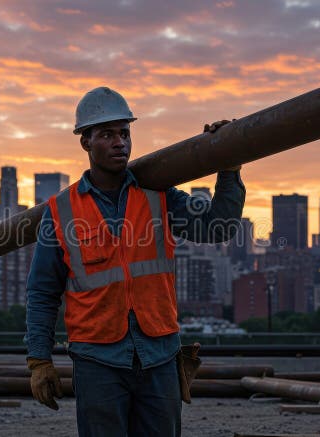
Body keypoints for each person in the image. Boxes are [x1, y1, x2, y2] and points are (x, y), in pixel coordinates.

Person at [25, 86, 245, 437]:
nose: (119, 143)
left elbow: (217, 229)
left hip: (158, 355)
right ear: (86, 142)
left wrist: (229, 168)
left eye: (124, 133)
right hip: (98, 362)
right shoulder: (61, 211)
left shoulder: (159, 197)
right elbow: (42, 292)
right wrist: (39, 360)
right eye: (107, 134)